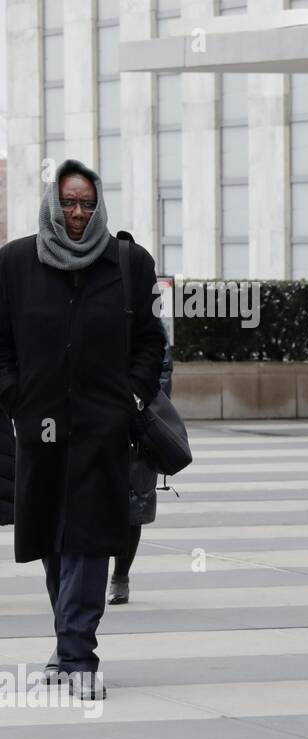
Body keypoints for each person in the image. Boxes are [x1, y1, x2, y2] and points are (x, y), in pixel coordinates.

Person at [0, 159, 166, 699]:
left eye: (87, 204)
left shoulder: (127, 262)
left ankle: (78, 653)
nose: (77, 214)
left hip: (103, 424)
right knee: (52, 535)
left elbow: (149, 339)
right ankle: (66, 641)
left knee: (90, 538)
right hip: (41, 423)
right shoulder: (16, 262)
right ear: (53, 202)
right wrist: (16, 397)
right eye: (69, 203)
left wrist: (134, 395)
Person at [108, 345, 174, 604]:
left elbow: (163, 368)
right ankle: (90, 576)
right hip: (95, 422)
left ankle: (120, 577)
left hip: (137, 425)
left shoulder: (145, 320)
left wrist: (139, 399)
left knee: (134, 504)